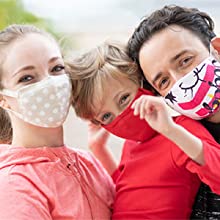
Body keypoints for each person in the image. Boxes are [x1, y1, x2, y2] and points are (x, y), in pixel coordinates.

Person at [67, 40, 220, 219]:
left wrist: (171, 131)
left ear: (145, 85)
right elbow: (129, 194)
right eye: (106, 116)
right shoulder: (131, 144)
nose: (122, 116)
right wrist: (99, 150)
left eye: (124, 98)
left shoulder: (180, 129)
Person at [0, 24, 115, 220]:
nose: (50, 83)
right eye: (27, 78)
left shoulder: (87, 162)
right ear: (3, 99)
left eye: (57, 68)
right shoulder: (14, 184)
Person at [127, 4, 220, 219]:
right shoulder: (176, 144)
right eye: (163, 81)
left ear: (216, 49)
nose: (180, 82)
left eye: (185, 61)